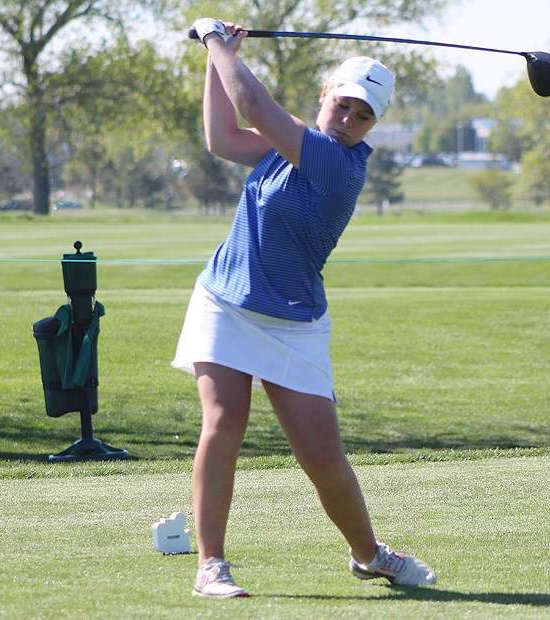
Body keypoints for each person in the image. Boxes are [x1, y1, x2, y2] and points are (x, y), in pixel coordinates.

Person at [174, 17, 437, 599]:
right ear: (325, 96)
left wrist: (216, 41)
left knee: (323, 460)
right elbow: (222, 137)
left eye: (362, 115)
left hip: (294, 322)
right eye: (342, 105)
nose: (348, 121)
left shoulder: (337, 163)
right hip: (225, 301)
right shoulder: (282, 149)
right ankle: (211, 564)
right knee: (223, 423)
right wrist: (216, 59)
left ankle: (369, 555)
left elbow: (254, 102)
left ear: (373, 125)